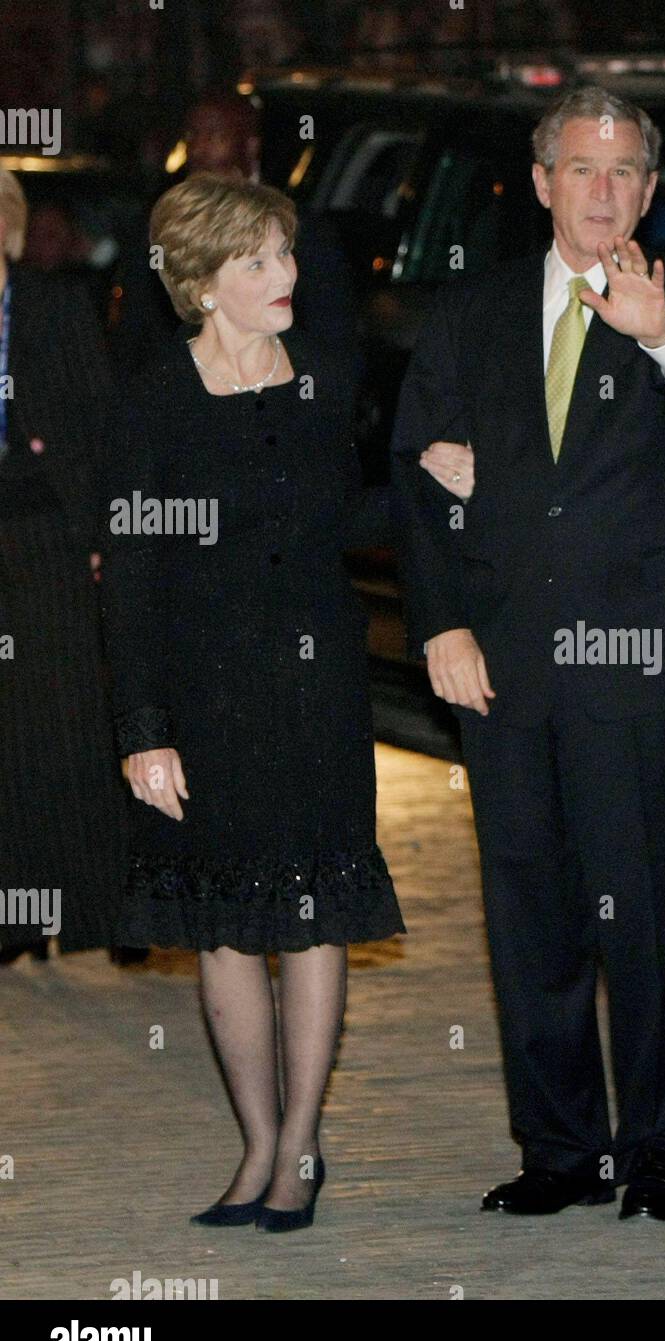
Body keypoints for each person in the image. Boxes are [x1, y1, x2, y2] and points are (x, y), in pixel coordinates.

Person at [393, 86, 665, 1221]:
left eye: (626, 172)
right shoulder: (473, 310)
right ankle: (560, 1148)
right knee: (532, 911)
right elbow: (415, 467)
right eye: (583, 169)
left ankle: (660, 1147)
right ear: (543, 181)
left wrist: (660, 337)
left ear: (650, 190)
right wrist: (441, 619)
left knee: (651, 913)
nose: (605, 192)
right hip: (504, 665)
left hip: (638, 664)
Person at [99, 173, 404, 1232]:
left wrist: (425, 481)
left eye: (287, 254)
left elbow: (341, 512)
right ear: (201, 281)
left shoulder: (321, 371)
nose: (287, 275)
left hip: (317, 686)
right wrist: (143, 732)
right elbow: (130, 570)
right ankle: (258, 1145)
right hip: (206, 689)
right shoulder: (152, 395)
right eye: (259, 261)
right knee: (227, 923)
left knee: (314, 913)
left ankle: (304, 1147)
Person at [0, 167, 128, 964]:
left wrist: (102, 538)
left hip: (45, 530)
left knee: (64, 722)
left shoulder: (54, 307)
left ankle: (91, 908)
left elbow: (101, 430)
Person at [111, 90, 359, 376]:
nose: (199, 149)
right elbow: (136, 331)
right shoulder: (159, 228)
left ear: (251, 145)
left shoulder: (299, 232)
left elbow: (332, 335)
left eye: (215, 137)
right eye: (192, 136)